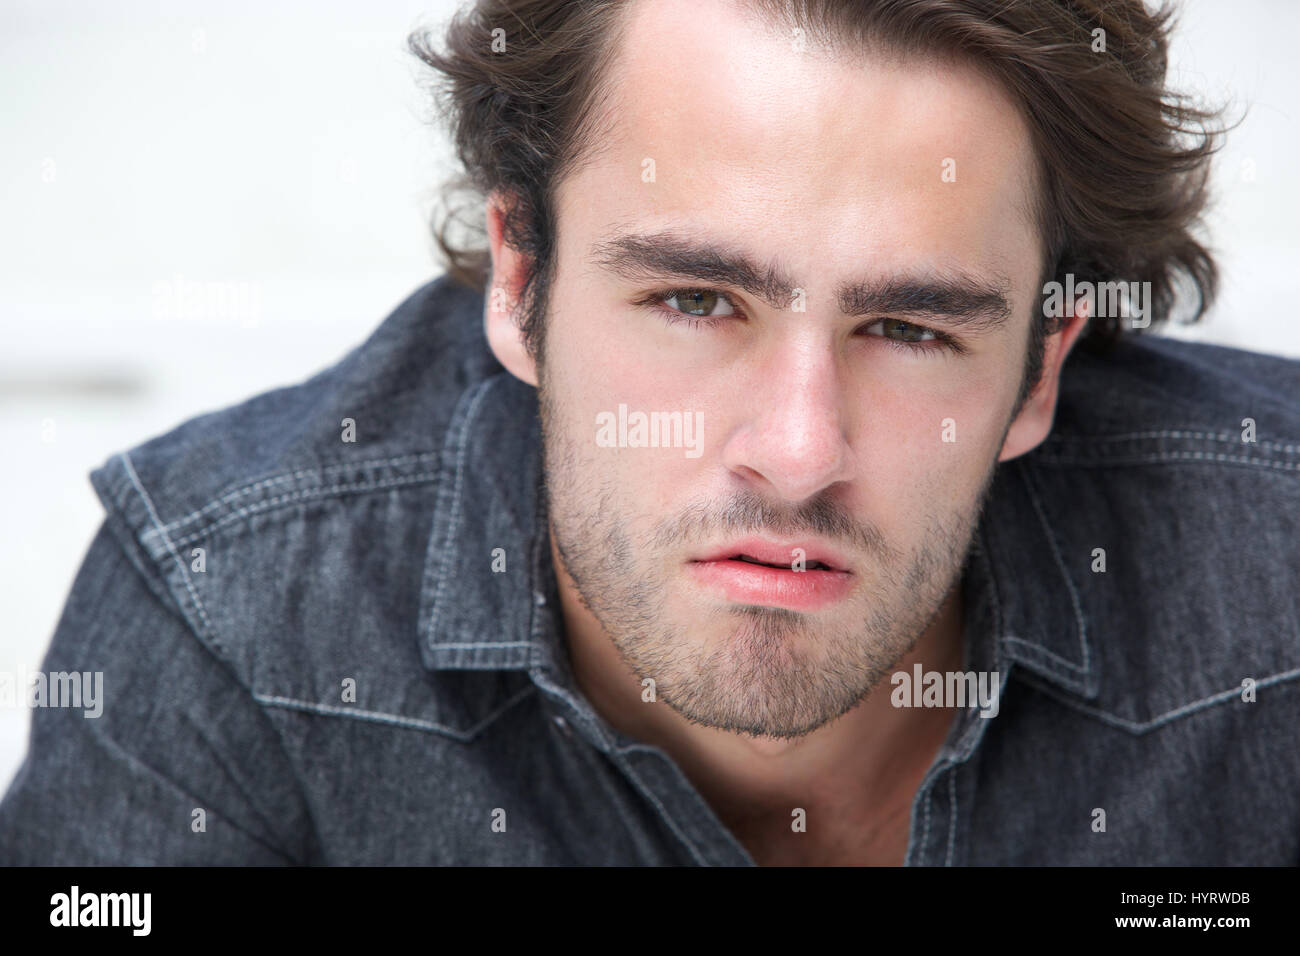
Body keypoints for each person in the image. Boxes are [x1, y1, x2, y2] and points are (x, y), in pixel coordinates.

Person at [3, 0, 1298, 866]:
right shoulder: (233, 620)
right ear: (519, 282)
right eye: (693, 300)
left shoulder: (1275, 592)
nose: (796, 454)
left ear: (1039, 369)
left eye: (910, 328)